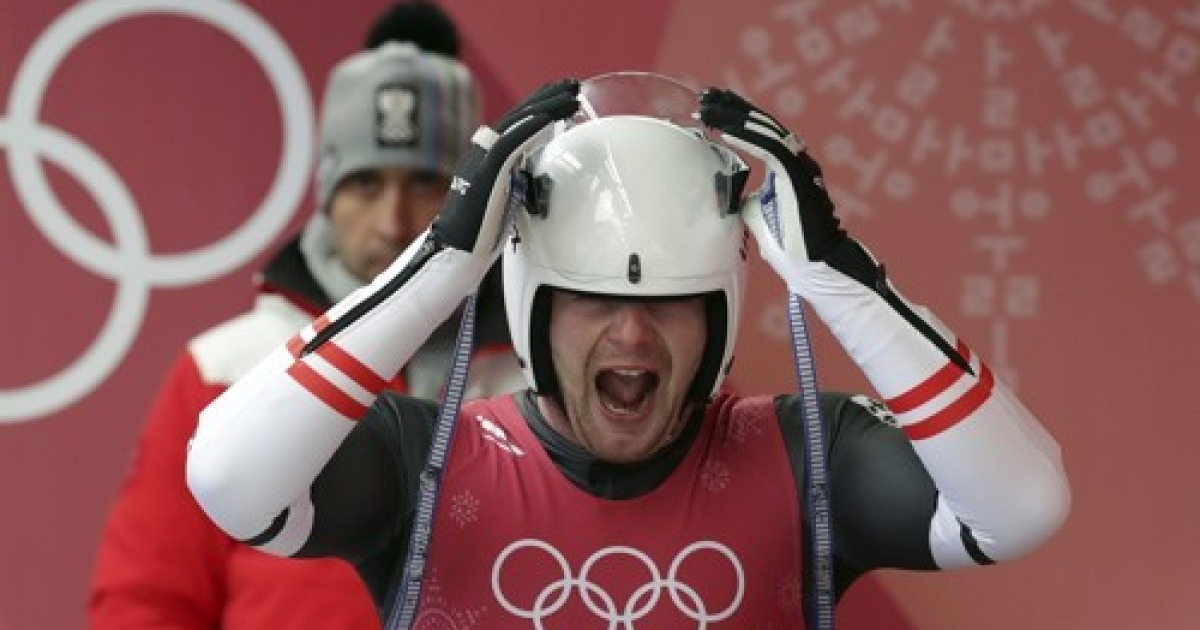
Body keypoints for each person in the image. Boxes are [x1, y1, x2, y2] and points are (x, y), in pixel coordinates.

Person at [186, 75, 1070, 627]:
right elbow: (229, 481)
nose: (633, 336)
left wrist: (842, 279)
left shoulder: (807, 457)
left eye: (671, 305)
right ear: (531, 305)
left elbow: (1023, 504)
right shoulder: (427, 461)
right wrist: (442, 265)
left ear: (722, 312)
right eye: (591, 300)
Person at [87, 6, 525, 628]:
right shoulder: (225, 369)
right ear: (327, 193)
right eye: (366, 184)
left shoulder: (541, 372)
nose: (393, 222)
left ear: (467, 199)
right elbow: (147, 604)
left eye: (425, 184)